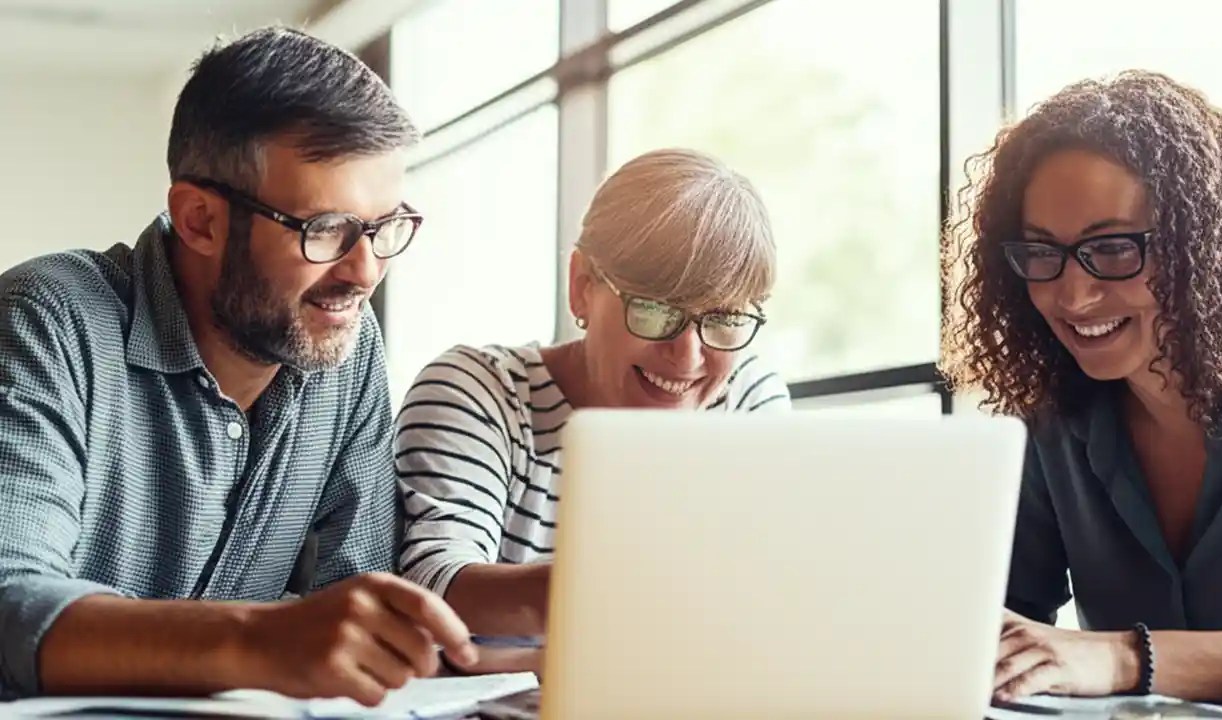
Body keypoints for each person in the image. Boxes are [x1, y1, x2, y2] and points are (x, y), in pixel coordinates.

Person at [0, 27, 477, 703]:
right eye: (327, 229)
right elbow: (10, 605)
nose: (365, 271)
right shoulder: (49, 317)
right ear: (199, 220)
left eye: (385, 225)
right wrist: (259, 640)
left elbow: (360, 594)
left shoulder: (345, 340)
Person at [941, 70, 1222, 706]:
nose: (1071, 294)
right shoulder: (1055, 422)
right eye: (1042, 254)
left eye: (1114, 248)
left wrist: (1128, 657)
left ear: (1201, 247)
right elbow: (997, 617)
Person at [396, 148, 790, 670]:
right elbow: (433, 587)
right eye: (655, 311)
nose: (689, 355)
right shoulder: (481, 391)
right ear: (582, 287)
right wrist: (630, 600)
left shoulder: (747, 396)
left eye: (725, 318)